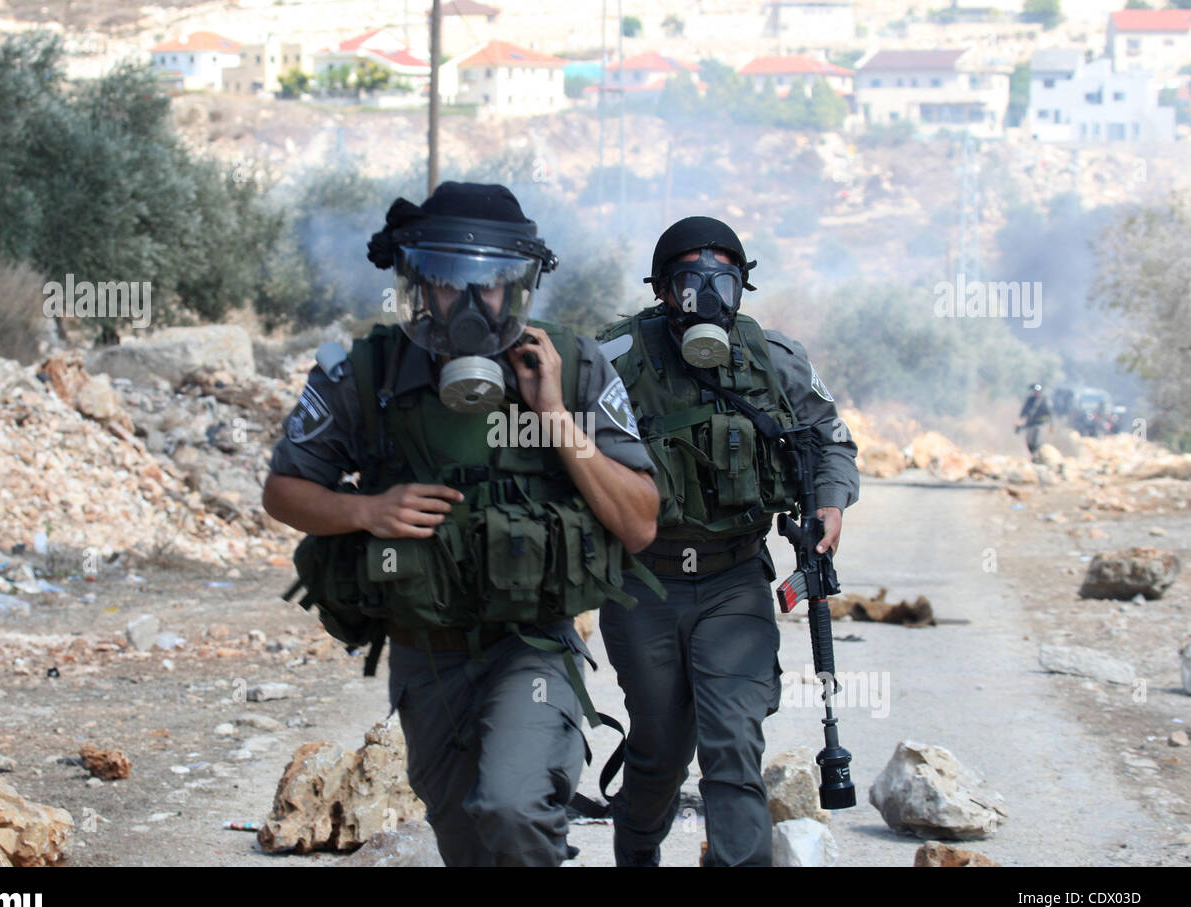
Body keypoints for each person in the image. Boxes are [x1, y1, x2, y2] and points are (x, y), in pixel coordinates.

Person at [262, 182, 660, 867]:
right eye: (450, 284)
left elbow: (641, 523)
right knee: (469, 843)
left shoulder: (574, 365)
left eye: (492, 286)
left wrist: (556, 416)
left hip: (532, 645)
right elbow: (283, 491)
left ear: (519, 287)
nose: (472, 304)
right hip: (426, 652)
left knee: (510, 808)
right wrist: (365, 510)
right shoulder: (366, 374)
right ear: (418, 284)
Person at [595, 216, 860, 867]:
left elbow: (829, 438)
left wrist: (829, 505)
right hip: (642, 583)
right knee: (658, 754)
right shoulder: (611, 361)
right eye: (690, 280)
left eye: (724, 279)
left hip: (734, 579)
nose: (708, 294)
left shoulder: (774, 358)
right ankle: (636, 854)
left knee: (733, 746)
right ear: (662, 289)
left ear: (743, 285)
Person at [1015, 383, 1053, 456]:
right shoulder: (1030, 400)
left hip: (1040, 423)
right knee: (1029, 441)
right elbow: (1024, 411)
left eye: (1037, 392)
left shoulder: (1044, 401)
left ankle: (1037, 455)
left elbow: (1050, 413)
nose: (1036, 393)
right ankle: (1033, 454)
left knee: (1036, 440)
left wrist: (1051, 426)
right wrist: (1019, 420)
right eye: (1035, 391)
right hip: (1030, 422)